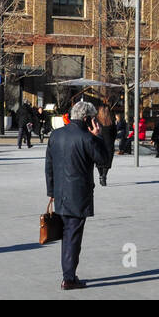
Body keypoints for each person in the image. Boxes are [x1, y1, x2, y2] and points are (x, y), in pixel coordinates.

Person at [45, 100, 108, 290]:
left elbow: (48, 166)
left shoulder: (55, 135)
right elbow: (104, 160)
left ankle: (68, 274)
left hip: (60, 193)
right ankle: (69, 278)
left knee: (67, 234)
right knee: (73, 236)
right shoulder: (87, 138)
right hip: (78, 195)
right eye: (94, 119)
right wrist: (98, 137)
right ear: (87, 119)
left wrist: (51, 191)